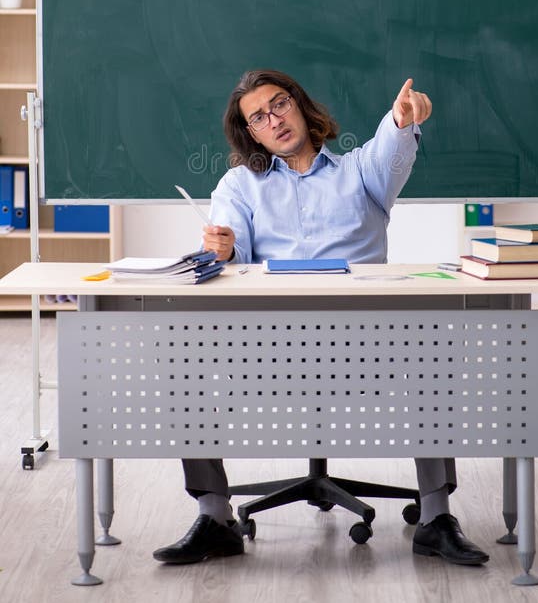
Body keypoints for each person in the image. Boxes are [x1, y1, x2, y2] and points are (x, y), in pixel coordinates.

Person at [153, 69, 489, 567]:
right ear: (251, 133)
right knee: (189, 355)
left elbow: (392, 148)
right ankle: (216, 516)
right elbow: (231, 249)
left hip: (366, 350)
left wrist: (401, 119)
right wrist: (222, 249)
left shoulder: (361, 173)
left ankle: (436, 518)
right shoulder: (240, 185)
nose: (274, 120)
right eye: (259, 117)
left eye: (280, 104)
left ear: (300, 105)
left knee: (430, 345)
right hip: (269, 352)